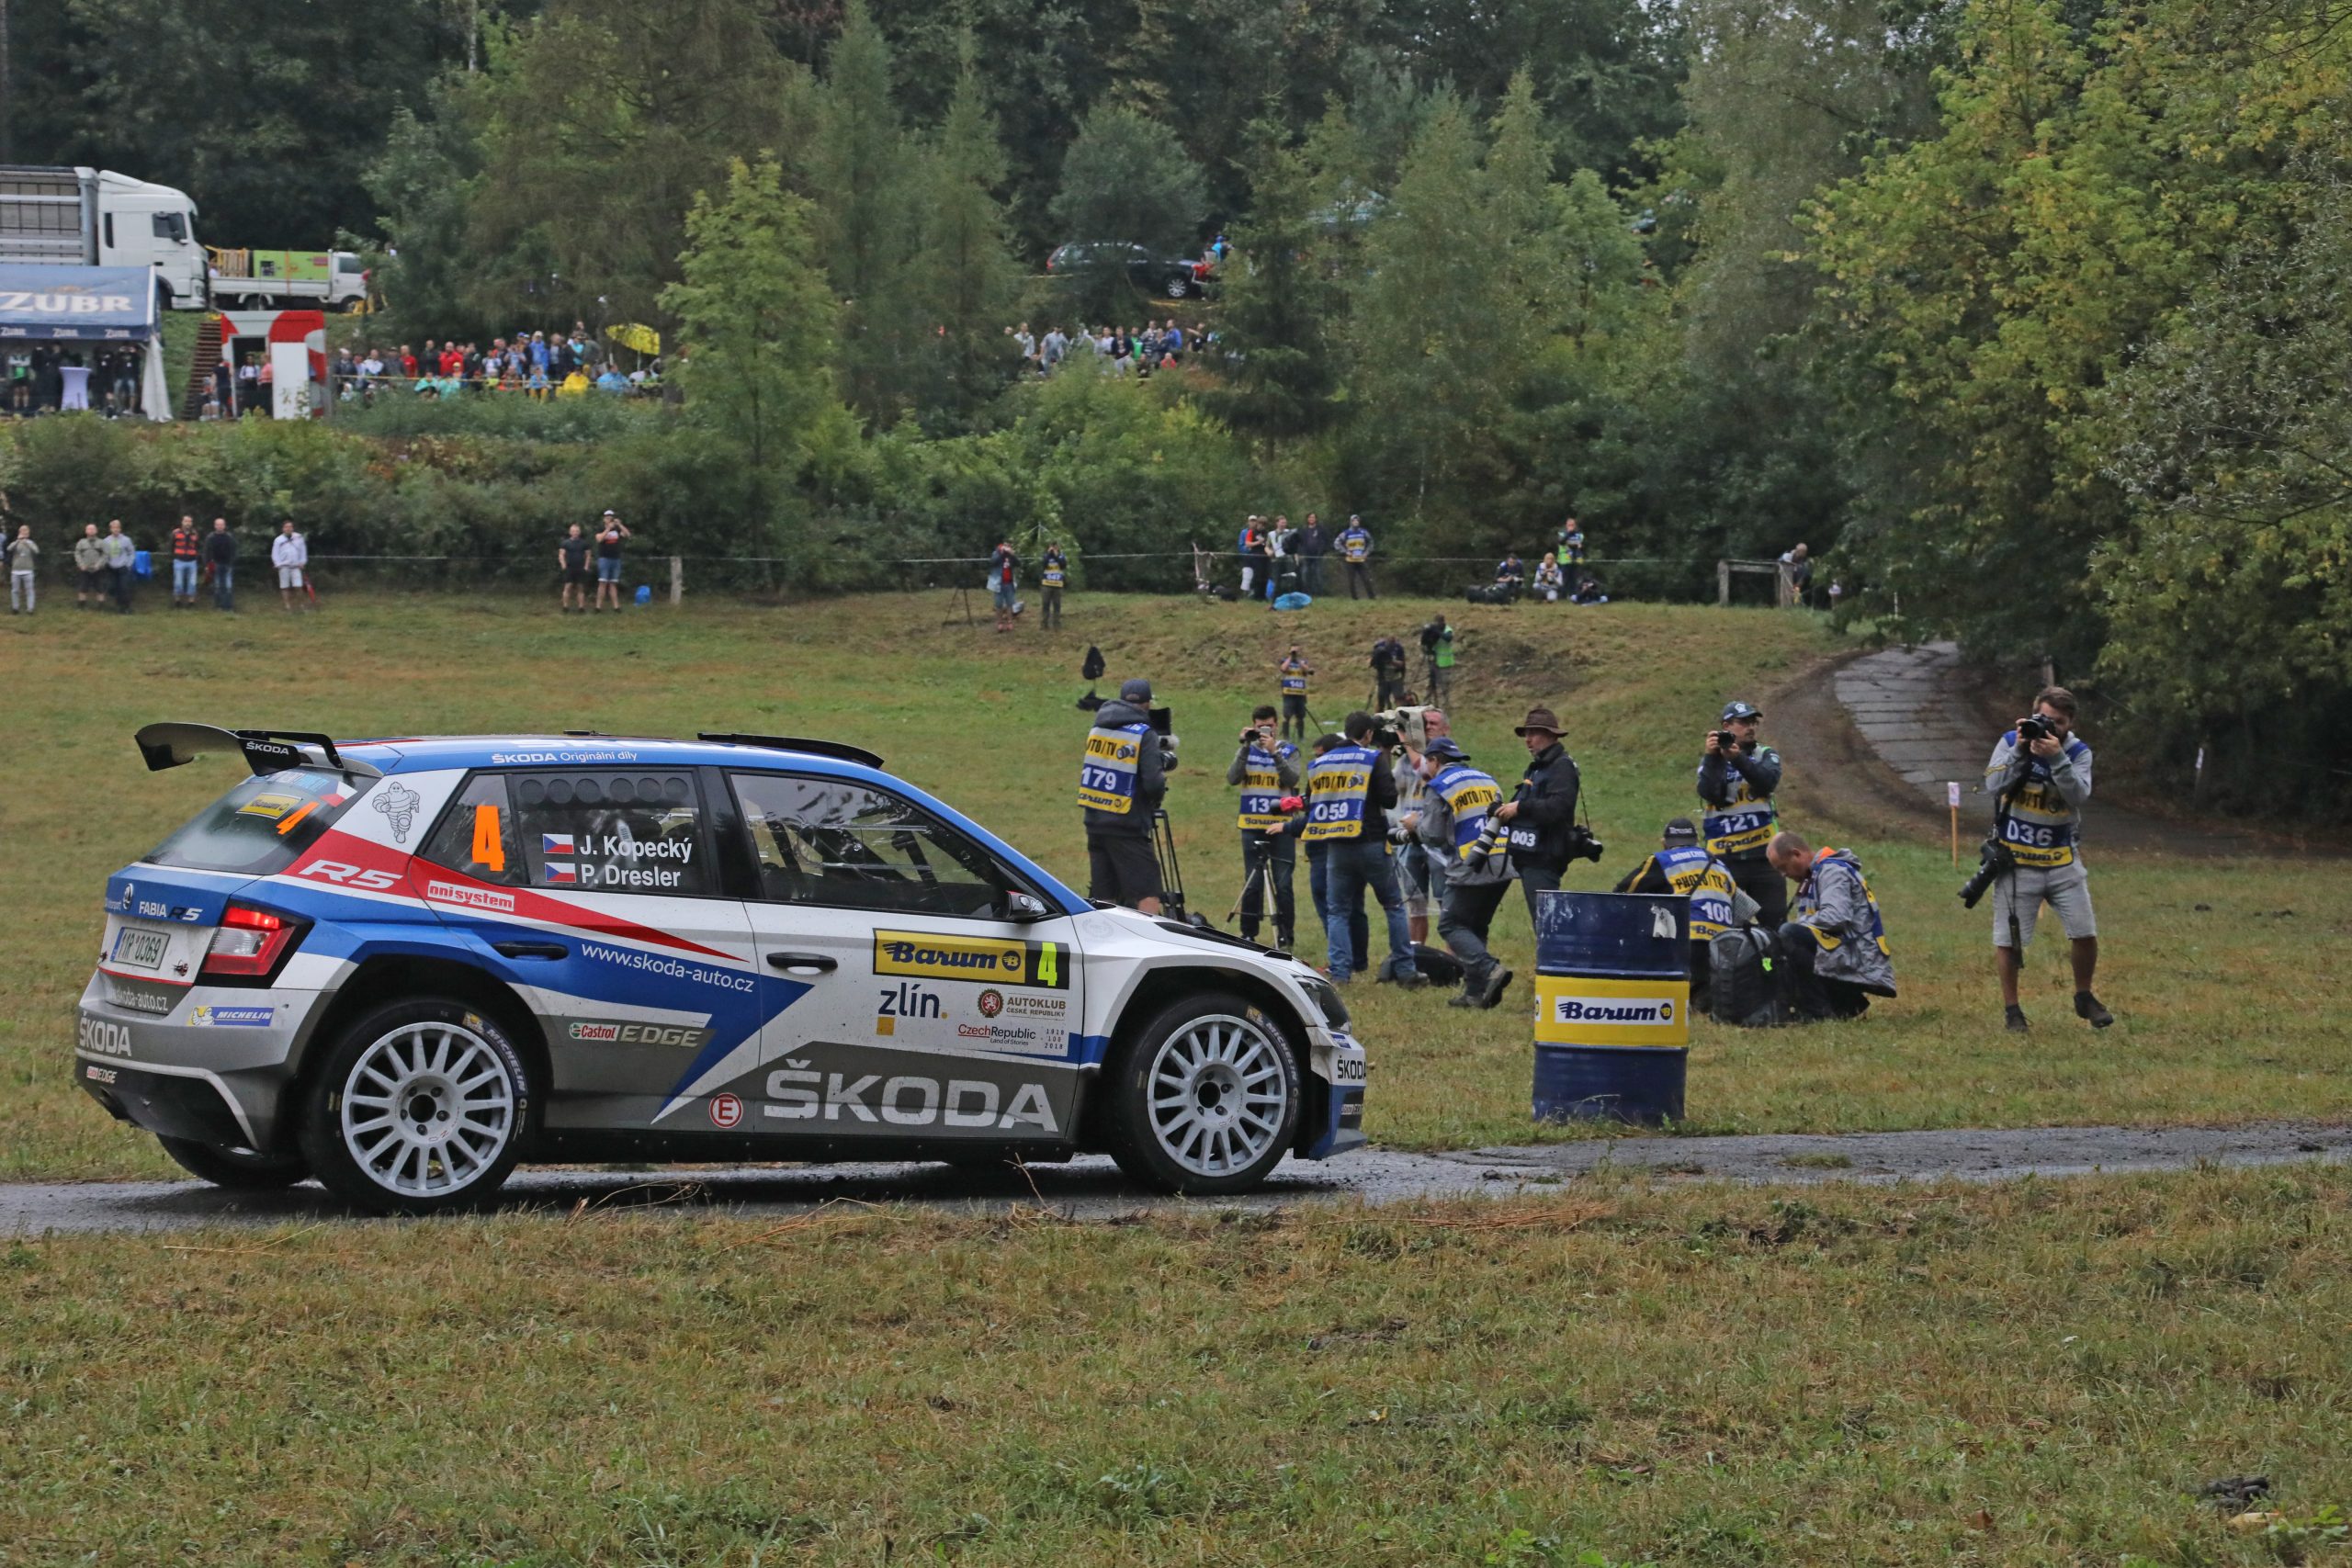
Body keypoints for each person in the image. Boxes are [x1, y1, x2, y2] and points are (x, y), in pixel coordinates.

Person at [1984, 686, 2110, 1031]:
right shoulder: (2011, 740)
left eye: (2059, 723)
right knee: (2009, 940)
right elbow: (1993, 784)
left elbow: (2078, 795)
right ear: (2031, 715)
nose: (2050, 729)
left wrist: (2056, 757)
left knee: (2085, 932)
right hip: (2017, 861)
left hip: (2062, 861)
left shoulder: (2078, 752)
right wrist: (2021, 751)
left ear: (2070, 723)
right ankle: (2013, 1011)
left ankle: (2084, 995)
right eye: (2045, 720)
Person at [1303, 712, 1425, 987]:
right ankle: (1406, 971)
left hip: (1336, 846)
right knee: (1393, 905)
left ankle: (1340, 973)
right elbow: (1390, 800)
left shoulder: (1319, 763)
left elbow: (1310, 801)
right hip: (1371, 841)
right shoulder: (1372, 759)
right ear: (1369, 734)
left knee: (1337, 912)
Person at [1410, 736, 1515, 1009]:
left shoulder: (1438, 786)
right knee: (1475, 926)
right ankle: (1475, 993)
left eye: (1427, 762)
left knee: (1450, 924)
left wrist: (1414, 826)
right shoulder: (1486, 779)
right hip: (1503, 861)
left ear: (1435, 761)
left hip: (1471, 863)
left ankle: (1490, 968)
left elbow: (1432, 834)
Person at [1614, 818, 1753, 1014]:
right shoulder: (1719, 864)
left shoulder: (1662, 860)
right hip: (1723, 949)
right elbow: (1746, 911)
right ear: (1696, 841)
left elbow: (1622, 893)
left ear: (1664, 842)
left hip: (1686, 945)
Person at [1765, 831, 1896, 1021]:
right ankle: (1844, 1003)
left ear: (1796, 854)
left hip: (1859, 957)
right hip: (1845, 951)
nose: (1783, 874)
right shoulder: (1814, 876)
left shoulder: (1832, 871)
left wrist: (1793, 929)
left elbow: (1835, 917)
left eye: (1783, 867)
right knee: (1786, 938)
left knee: (1790, 934)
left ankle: (1818, 1011)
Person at [1080, 677, 1171, 914]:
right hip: (1126, 825)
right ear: (1148, 704)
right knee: (1147, 890)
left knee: (1104, 895)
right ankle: (1149, 944)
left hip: (1095, 822)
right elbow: (1153, 783)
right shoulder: (1143, 733)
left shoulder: (1098, 727)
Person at [1697, 700, 1788, 928]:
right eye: (1744, 722)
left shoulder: (1765, 754)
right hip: (1725, 860)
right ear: (1726, 726)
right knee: (1727, 927)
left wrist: (1738, 759)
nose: (1751, 727)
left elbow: (1766, 782)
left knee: (1776, 927)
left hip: (1764, 859)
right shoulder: (1711, 761)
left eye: (1753, 722)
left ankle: (1775, 964)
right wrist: (1712, 757)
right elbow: (1711, 793)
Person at [1493, 705, 1583, 926]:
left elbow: (1557, 808)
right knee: (1543, 923)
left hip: (1544, 857)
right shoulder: (1538, 767)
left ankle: (1553, 960)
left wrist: (1520, 808)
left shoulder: (1561, 767)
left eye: (1534, 733)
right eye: (1526, 734)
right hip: (1531, 856)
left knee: (1548, 925)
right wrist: (1505, 810)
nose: (1528, 739)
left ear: (1551, 735)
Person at [1228, 705, 1303, 949]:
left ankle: (1285, 934)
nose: (1264, 731)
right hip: (1251, 824)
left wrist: (1274, 753)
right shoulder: (1247, 749)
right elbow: (1232, 778)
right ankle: (1248, 933)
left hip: (1280, 826)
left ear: (1276, 725)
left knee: (1283, 883)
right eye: (1260, 726)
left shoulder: (1289, 750)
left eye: (1268, 726)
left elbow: (1292, 779)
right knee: (1253, 881)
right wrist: (1244, 747)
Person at [1304, 731, 1369, 976]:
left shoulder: (1328, 777)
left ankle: (1341, 961)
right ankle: (1358, 960)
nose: (1318, 760)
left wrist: (1288, 825)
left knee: (1333, 910)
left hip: (1326, 849)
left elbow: (1313, 814)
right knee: (1354, 907)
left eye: (1321, 755)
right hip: (1350, 845)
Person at [594, 511, 630, 611]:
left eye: (611, 517)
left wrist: (620, 525)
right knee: (602, 583)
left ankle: (616, 607)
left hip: (616, 559)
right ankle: (598, 607)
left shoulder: (617, 530)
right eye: (607, 517)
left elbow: (627, 534)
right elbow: (599, 539)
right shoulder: (600, 528)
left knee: (613, 583)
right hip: (604, 559)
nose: (609, 519)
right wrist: (608, 529)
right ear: (604, 519)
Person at [271, 521, 308, 611]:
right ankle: (287, 606)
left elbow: (303, 551)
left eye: (290, 527)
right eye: (286, 527)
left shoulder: (298, 537)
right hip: (284, 566)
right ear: (283, 529)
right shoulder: (278, 540)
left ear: (293, 528)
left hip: (296, 566)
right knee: (285, 587)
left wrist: (302, 562)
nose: (288, 528)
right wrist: (277, 564)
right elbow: (275, 554)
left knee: (298, 586)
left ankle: (301, 605)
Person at [1277, 647, 1313, 739]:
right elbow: (1283, 669)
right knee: (1287, 715)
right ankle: (1286, 736)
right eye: (1293, 651)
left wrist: (1297, 660)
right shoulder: (1285, 661)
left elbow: (1307, 670)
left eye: (1296, 651)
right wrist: (1290, 657)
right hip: (1288, 693)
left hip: (1300, 694)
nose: (1294, 653)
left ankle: (1301, 737)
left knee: (1300, 716)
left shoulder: (1303, 662)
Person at [557, 523, 594, 613]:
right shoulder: (565, 543)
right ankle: (565, 607)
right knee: (567, 587)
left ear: (579, 532)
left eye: (577, 531)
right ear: (570, 532)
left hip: (580, 568)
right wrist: (563, 566)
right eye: (573, 531)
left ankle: (581, 607)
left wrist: (586, 566)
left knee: (580, 588)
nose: (575, 533)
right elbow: (561, 555)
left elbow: (588, 555)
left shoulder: (584, 543)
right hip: (569, 568)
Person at [102, 519, 137, 613]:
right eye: (114, 527)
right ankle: (118, 605)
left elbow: (132, 553)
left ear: (120, 529)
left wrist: (128, 564)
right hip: (111, 568)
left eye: (117, 527)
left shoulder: (126, 540)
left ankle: (126, 608)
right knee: (113, 587)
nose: (116, 529)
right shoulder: (106, 541)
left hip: (123, 568)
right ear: (110, 529)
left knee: (124, 587)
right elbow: (104, 554)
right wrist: (106, 563)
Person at [1420, 618, 1456, 706]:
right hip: (1434, 660)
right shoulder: (1433, 630)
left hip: (1445, 662)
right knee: (1431, 683)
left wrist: (1437, 632)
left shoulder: (1447, 630)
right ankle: (1426, 702)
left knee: (1444, 684)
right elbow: (1424, 642)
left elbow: (1448, 638)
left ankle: (1445, 703)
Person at [168, 515, 201, 608]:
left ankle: (191, 602)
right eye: (186, 521)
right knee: (178, 582)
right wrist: (174, 557)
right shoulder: (175, 533)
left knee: (192, 582)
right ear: (182, 522)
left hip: (192, 561)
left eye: (190, 521)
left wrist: (195, 556)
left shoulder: (195, 533)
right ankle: (177, 602)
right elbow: (171, 546)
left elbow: (198, 546)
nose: (188, 523)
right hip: (179, 561)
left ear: (192, 523)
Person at [1339, 515, 1375, 599]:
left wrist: (1366, 553)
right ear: (1351, 522)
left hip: (1361, 559)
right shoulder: (1346, 533)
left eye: (1357, 521)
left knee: (1366, 579)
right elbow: (1337, 543)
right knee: (1351, 580)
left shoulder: (1364, 532)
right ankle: (1354, 598)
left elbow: (1371, 542)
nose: (1356, 522)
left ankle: (1372, 597)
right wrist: (1346, 552)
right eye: (1354, 521)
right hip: (1350, 560)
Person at [204, 518, 236, 612]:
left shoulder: (229, 537)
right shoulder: (210, 537)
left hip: (227, 564)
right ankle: (218, 606)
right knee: (217, 586)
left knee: (228, 586)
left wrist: (232, 562)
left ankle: (228, 607)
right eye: (218, 524)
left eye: (221, 524)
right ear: (215, 526)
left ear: (224, 526)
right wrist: (207, 564)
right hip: (215, 564)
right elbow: (206, 552)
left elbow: (234, 550)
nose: (220, 526)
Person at [1369, 634, 1408, 709]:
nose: (1391, 645)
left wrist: (1391, 661)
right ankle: (1378, 717)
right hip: (1383, 676)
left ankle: (1400, 714)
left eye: (1393, 643)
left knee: (1399, 698)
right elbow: (1372, 662)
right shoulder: (1379, 647)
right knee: (1381, 700)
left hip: (1395, 677)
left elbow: (1402, 664)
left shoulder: (1398, 648)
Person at [73, 524, 106, 609]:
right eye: (89, 529)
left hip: (98, 570)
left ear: (96, 531)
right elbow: (77, 554)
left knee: (100, 588)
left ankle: (101, 607)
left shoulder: (101, 542)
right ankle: (81, 607)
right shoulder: (81, 542)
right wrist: (81, 565)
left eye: (93, 529)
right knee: (83, 588)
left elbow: (105, 555)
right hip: (84, 569)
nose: (91, 530)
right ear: (86, 531)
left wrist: (99, 565)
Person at [989, 538, 1019, 632]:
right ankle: (1000, 623)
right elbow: (992, 562)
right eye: (1006, 545)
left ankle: (1010, 623)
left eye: (1009, 546)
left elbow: (1019, 563)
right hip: (998, 583)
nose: (1008, 547)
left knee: (1010, 604)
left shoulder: (1011, 555)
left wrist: (1013, 555)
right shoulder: (996, 553)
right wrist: (1002, 554)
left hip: (1009, 583)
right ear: (1003, 544)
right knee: (999, 604)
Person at [7, 525, 38, 614]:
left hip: (28, 571)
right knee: (15, 590)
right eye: (22, 531)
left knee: (29, 590)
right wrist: (18, 541)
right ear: (19, 532)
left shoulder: (31, 543)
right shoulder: (16, 543)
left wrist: (26, 542)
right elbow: (9, 549)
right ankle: (15, 608)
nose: (24, 533)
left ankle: (30, 609)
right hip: (16, 571)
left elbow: (36, 551)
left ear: (28, 533)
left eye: (26, 531)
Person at [1297, 513, 1329, 596]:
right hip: (1306, 556)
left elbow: (1325, 542)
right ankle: (1306, 593)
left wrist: (1322, 552)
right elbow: (1299, 543)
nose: (1312, 519)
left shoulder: (1321, 529)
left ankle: (1319, 594)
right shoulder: (1303, 530)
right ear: (1307, 519)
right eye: (1310, 517)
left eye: (1313, 517)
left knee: (1318, 575)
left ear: (1316, 519)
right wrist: (1300, 553)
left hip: (1318, 556)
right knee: (1305, 574)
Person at [1238, 516, 1266, 599]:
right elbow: (1242, 546)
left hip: (1259, 558)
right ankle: (1245, 595)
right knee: (1247, 576)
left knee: (1258, 576)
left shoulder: (1262, 532)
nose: (1253, 523)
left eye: (1254, 521)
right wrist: (1249, 549)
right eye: (1251, 521)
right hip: (1248, 557)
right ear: (1248, 522)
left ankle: (1255, 595)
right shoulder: (1244, 532)